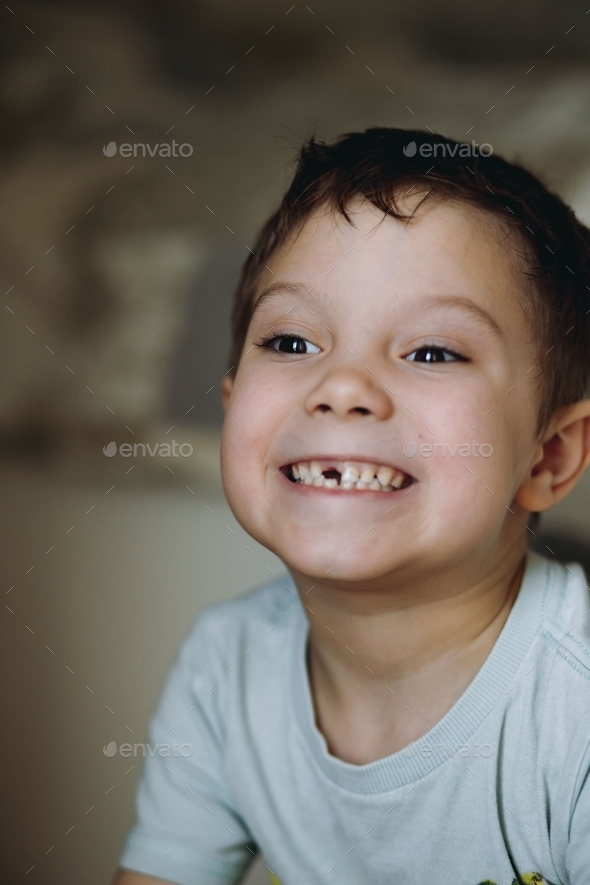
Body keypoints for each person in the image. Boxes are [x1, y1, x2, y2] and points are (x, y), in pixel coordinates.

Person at [112, 128, 590, 885]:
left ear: (549, 455)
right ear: (232, 407)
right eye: (292, 342)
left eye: (432, 352)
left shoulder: (573, 708)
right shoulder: (225, 668)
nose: (340, 387)